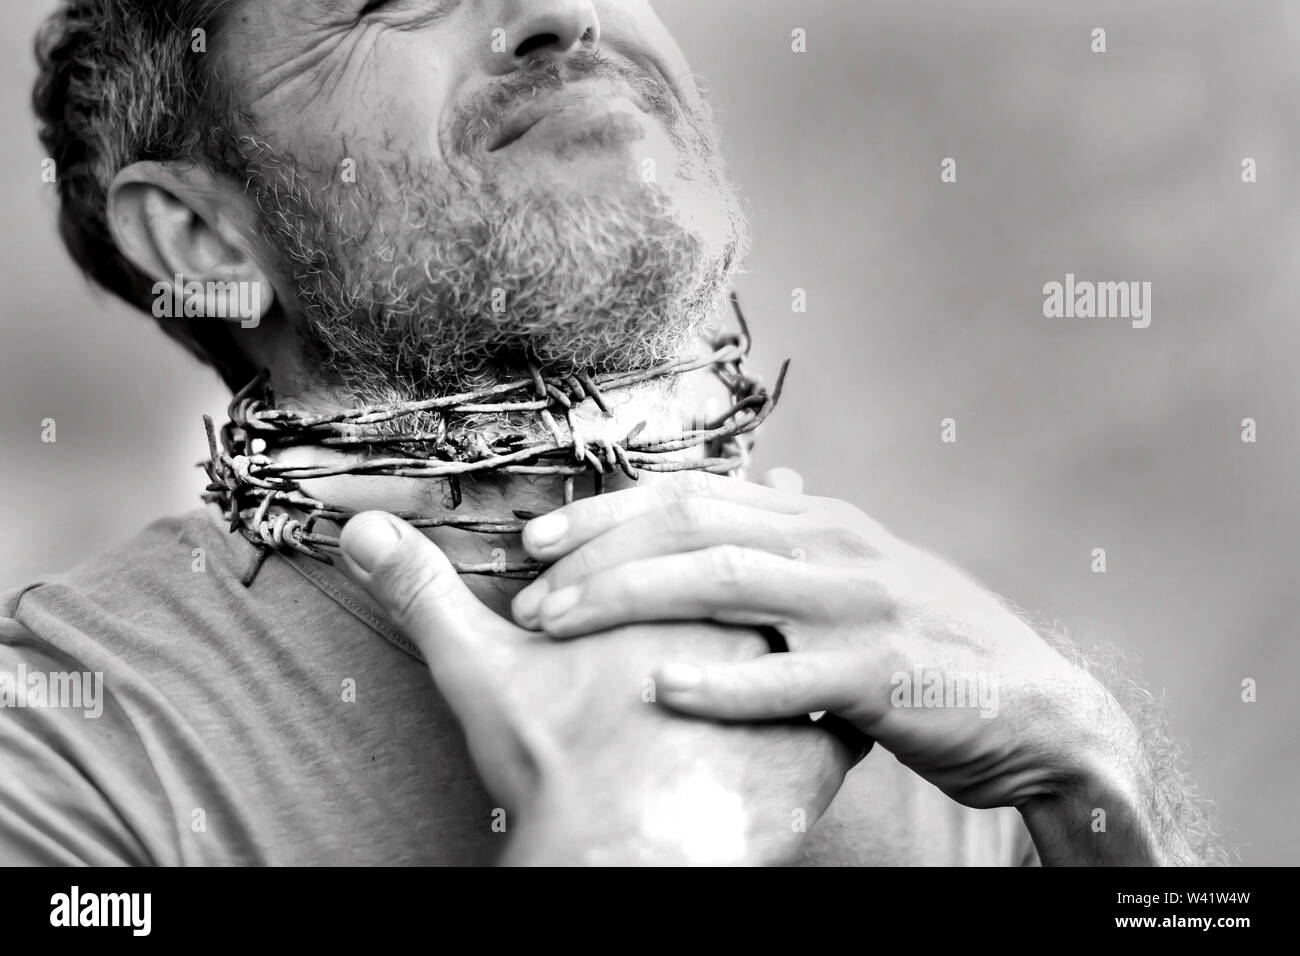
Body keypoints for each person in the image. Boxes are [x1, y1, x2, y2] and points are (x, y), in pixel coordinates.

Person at [0, 0, 1223, 865]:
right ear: (206, 246)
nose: (559, 15)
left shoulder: (934, 674)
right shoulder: (60, 752)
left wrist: (1099, 791)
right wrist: (640, 837)